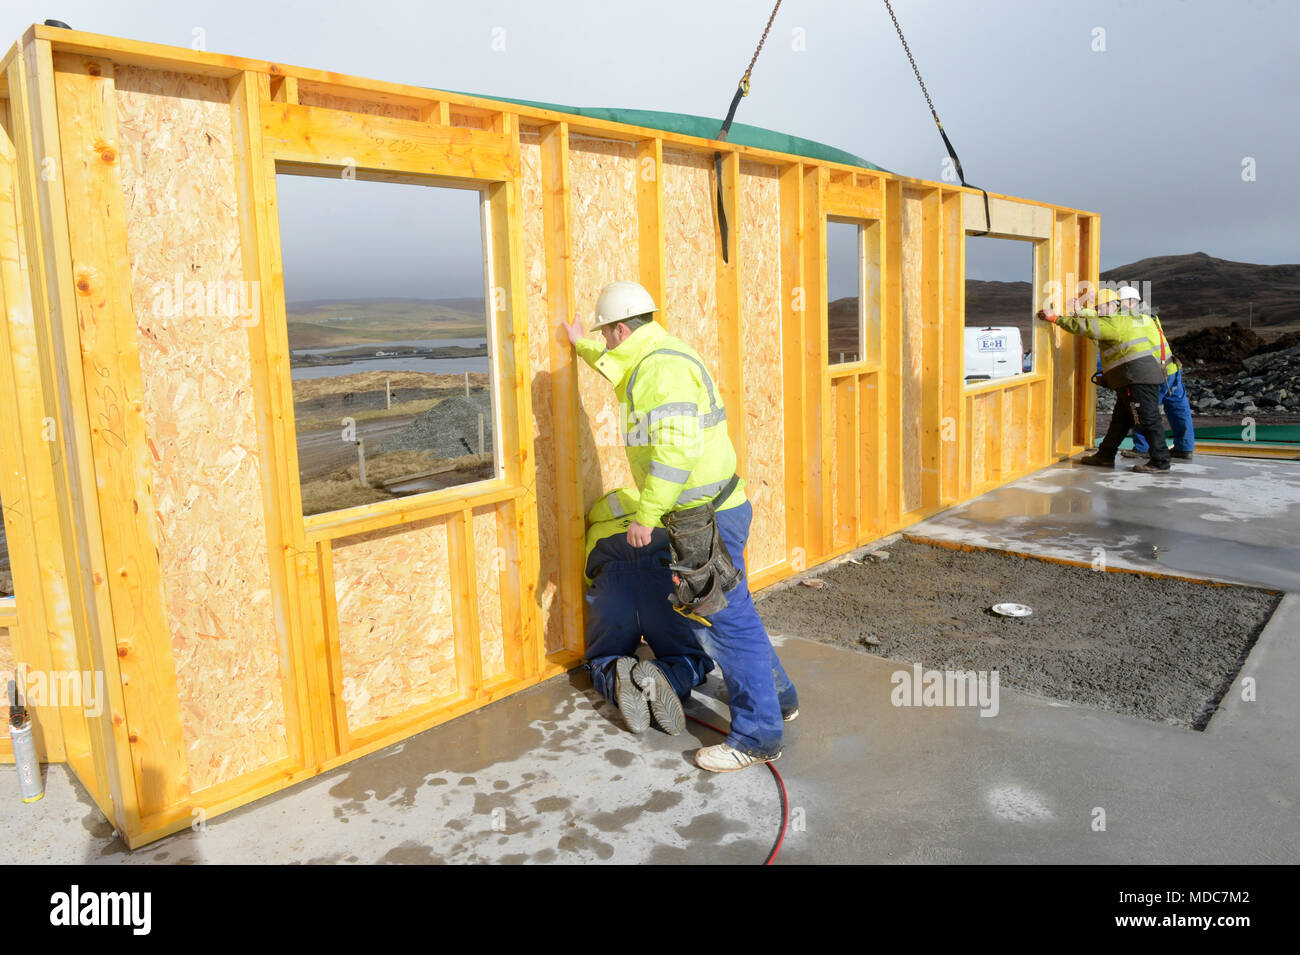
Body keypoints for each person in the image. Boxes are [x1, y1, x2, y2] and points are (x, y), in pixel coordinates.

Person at [563, 280, 798, 772]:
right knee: (737, 611)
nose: (606, 342)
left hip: (700, 520)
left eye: (607, 334)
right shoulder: (654, 357)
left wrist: (646, 517)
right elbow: (619, 371)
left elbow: (675, 451)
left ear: (622, 329)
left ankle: (757, 737)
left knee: (726, 624)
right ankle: (780, 699)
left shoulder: (660, 370)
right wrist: (583, 344)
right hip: (716, 510)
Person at [583, 485, 715, 736]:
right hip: (661, 584)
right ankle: (667, 676)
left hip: (611, 587)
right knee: (688, 656)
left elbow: (588, 578)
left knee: (604, 655)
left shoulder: (596, 533)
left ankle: (614, 675)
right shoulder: (653, 522)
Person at [1038, 286, 1172, 472]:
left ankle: (1161, 461)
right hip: (1133, 378)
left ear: (1112, 306)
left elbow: (1084, 327)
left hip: (1136, 379)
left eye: (1100, 308)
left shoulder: (1114, 323)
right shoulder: (1122, 319)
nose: (1098, 311)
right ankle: (1105, 455)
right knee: (1120, 421)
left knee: (1147, 419)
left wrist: (1056, 319)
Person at [1116, 288, 1195, 460]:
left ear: (1132, 302)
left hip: (1155, 373)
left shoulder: (1135, 319)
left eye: (1119, 303)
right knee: (1178, 408)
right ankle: (1184, 448)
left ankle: (1142, 448)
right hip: (1172, 368)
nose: (1117, 308)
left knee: (1144, 408)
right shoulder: (1151, 316)